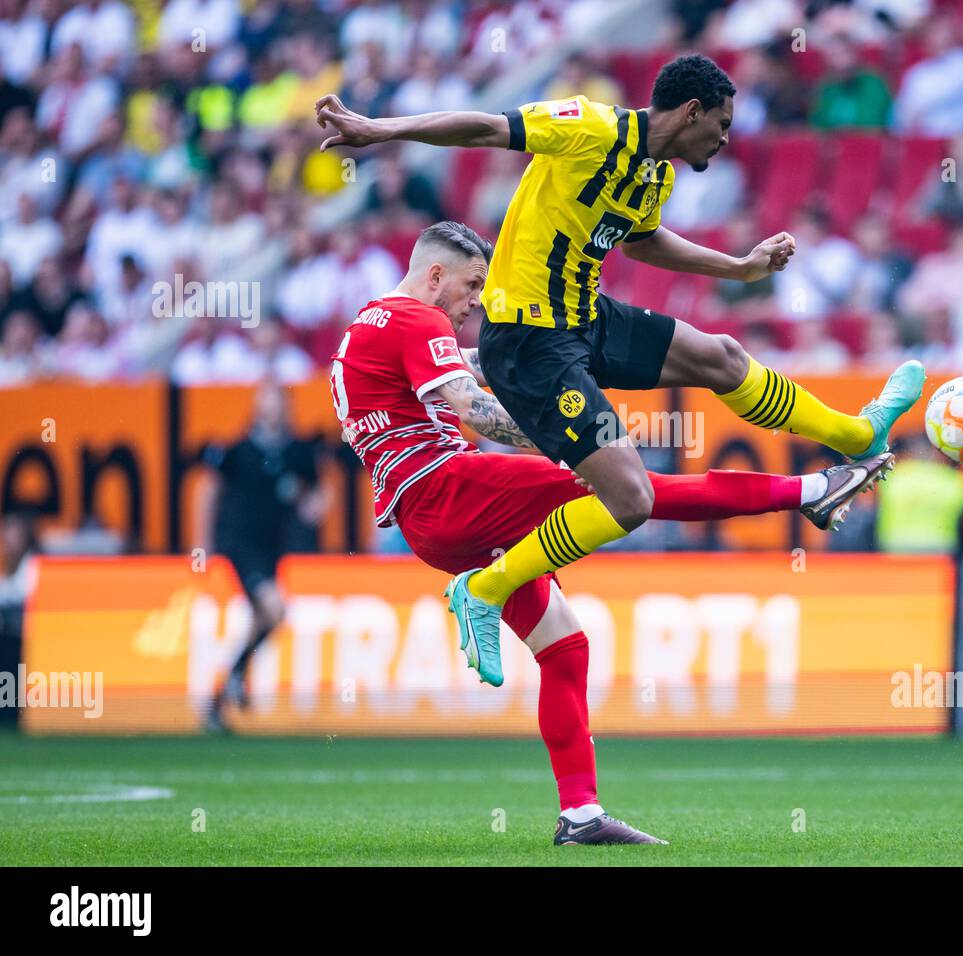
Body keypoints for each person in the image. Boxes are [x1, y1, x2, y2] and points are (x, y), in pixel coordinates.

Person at [315, 53, 925, 686]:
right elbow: (487, 127)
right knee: (630, 497)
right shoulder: (589, 126)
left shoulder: (653, 175)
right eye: (720, 123)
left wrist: (740, 268)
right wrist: (380, 130)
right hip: (529, 338)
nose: (725, 137)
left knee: (722, 357)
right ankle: (489, 588)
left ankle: (857, 436)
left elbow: (642, 239)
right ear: (690, 112)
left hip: (584, 318)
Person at [328, 222, 894, 845]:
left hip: (430, 522)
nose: (475, 303)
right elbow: (473, 409)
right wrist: (565, 438)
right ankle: (814, 491)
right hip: (452, 488)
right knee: (635, 491)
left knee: (565, 648)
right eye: (470, 286)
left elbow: (470, 370)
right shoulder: (417, 320)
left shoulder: (367, 326)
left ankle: (579, 815)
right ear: (434, 276)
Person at [200, 380, 326, 733]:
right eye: (264, 400)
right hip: (240, 543)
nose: (271, 407)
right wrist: (203, 543)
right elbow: (209, 489)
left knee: (262, 620)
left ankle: (219, 697)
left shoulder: (297, 450)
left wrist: (314, 505)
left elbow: (316, 491)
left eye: (276, 400)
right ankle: (238, 677)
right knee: (276, 610)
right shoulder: (240, 449)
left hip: (273, 546)